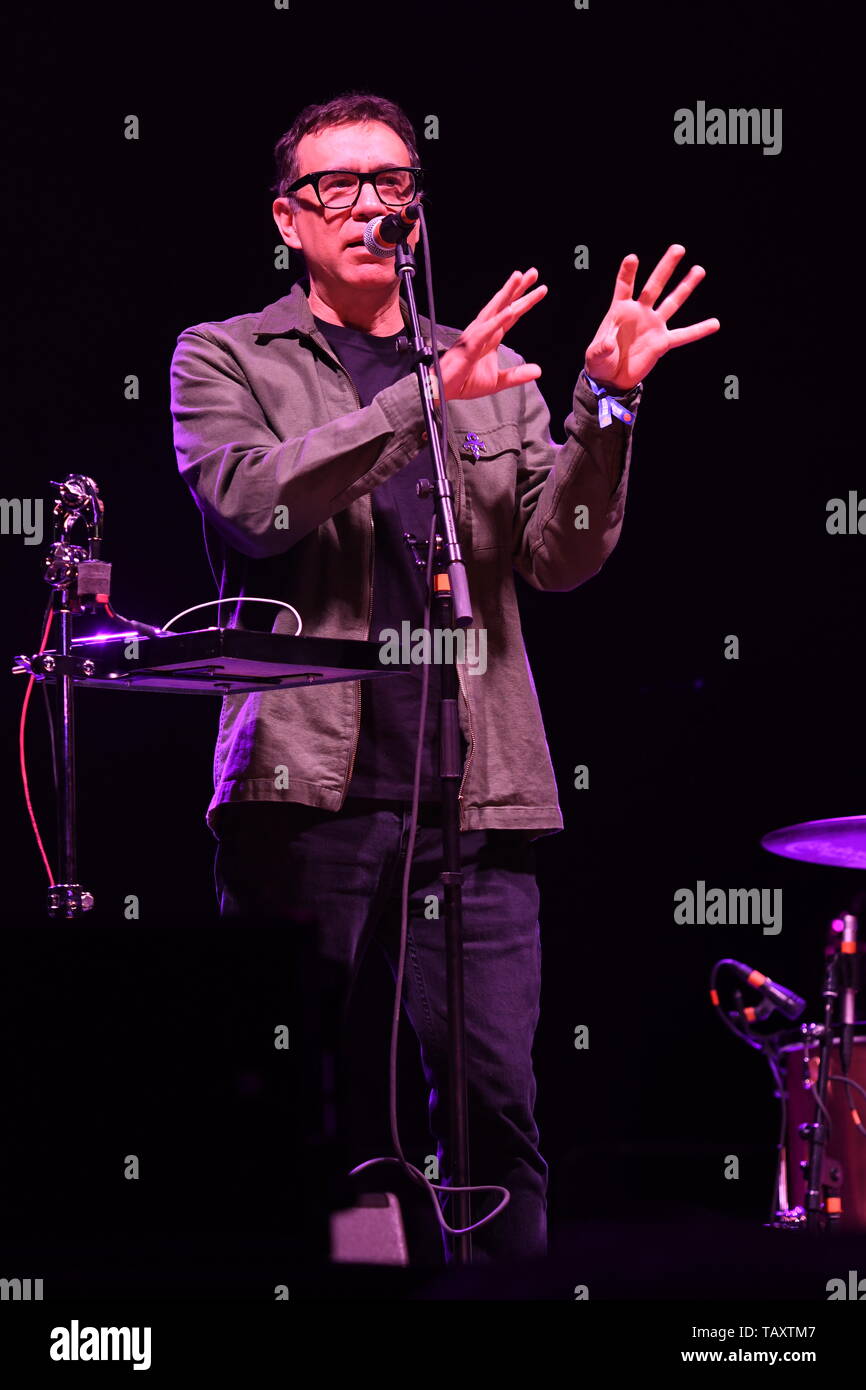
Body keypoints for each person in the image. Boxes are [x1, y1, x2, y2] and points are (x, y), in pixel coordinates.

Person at [169, 90, 719, 1264]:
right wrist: (423, 397)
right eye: (339, 186)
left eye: (395, 181)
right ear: (288, 217)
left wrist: (604, 404)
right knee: (285, 1110)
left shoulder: (486, 365)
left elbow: (557, 555)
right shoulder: (225, 354)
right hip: (301, 801)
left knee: (495, 1117)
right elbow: (255, 505)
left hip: (475, 805)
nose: (372, 205)